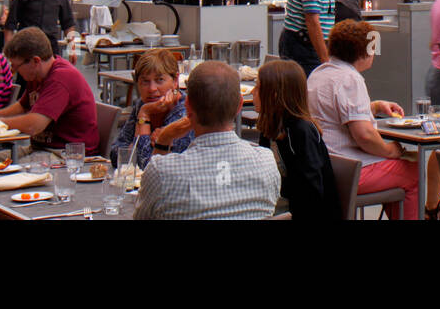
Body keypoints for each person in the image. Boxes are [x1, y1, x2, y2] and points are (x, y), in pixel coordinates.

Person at [309, 20, 425, 219]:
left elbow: (334, 112)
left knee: (400, 173)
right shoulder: (350, 79)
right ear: (362, 52)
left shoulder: (319, 74)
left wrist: (375, 106)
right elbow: (364, 135)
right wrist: (391, 151)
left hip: (324, 165)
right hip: (350, 170)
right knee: (414, 173)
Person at [135, 60, 280, 220]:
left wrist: (163, 141)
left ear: (188, 106)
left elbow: (142, 216)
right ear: (240, 105)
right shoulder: (266, 162)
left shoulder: (162, 171)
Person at [254, 58, 340, 220]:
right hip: (282, 206)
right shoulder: (269, 126)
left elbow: (311, 192)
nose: (252, 93)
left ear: (274, 95)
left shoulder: (301, 131)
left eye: (258, 87)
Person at [0, 28, 97, 152]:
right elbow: (22, 106)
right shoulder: (36, 75)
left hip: (66, 154)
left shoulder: (60, 79)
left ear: (35, 61)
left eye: (16, 66)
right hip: (41, 149)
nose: (13, 71)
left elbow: (34, 125)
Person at [109, 49, 191, 168]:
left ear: (175, 81)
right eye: (145, 81)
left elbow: (148, 167)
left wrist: (144, 116)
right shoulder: (143, 104)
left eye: (159, 80)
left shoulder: (185, 112)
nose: (152, 88)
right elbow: (115, 154)